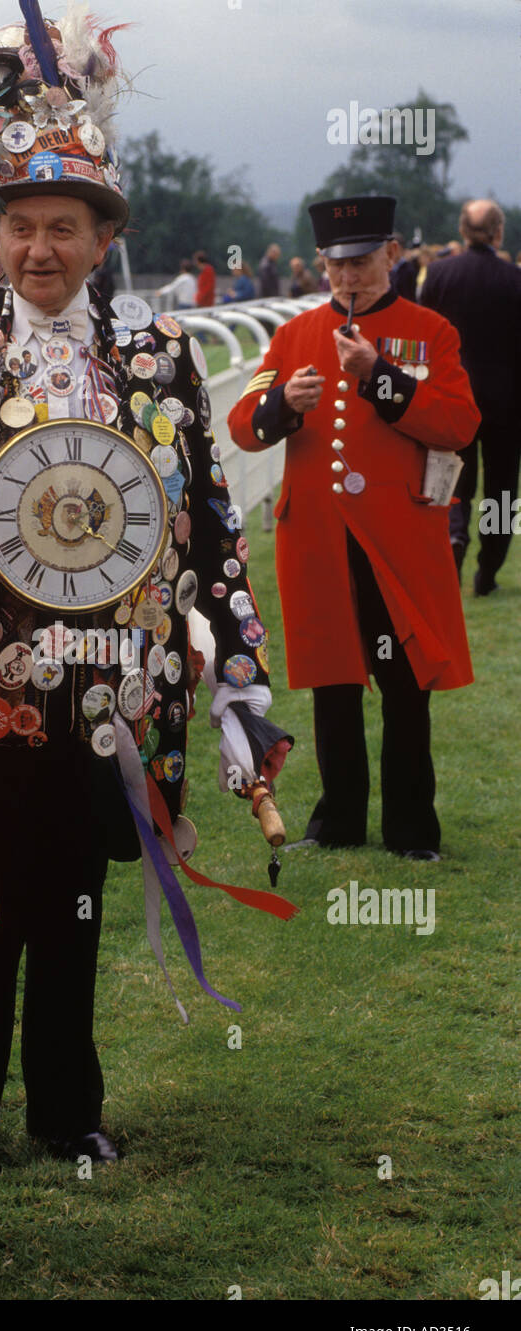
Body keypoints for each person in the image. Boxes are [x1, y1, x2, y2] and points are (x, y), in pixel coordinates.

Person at [0, 10, 282, 1177]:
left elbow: (210, 521)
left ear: (102, 236)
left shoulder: (158, 357)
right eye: (20, 228)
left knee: (73, 908)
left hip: (114, 693)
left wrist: (242, 679)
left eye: (62, 228)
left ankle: (67, 1109)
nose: (39, 250)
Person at [229, 195, 479, 861]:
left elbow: (459, 423)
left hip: (396, 540)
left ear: (393, 255)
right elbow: (242, 422)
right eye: (337, 265)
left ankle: (410, 830)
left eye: (363, 261)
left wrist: (381, 377)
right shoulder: (293, 334)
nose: (349, 277)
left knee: (404, 686)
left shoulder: (430, 332)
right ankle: (337, 821)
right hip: (318, 538)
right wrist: (281, 405)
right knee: (333, 681)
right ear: (322, 265)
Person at [421, 199, 521, 594]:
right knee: (501, 490)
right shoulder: (515, 280)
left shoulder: (439, 274)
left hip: (452, 397)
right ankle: (488, 572)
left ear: (463, 232)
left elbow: (424, 340)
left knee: (454, 481)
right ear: (498, 232)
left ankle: (455, 536)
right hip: (507, 403)